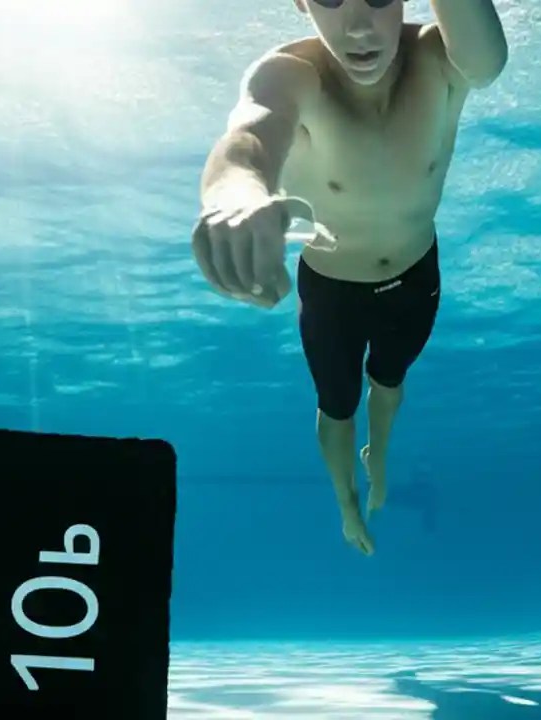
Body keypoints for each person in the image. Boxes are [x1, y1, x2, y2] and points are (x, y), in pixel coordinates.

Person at [192, 0, 507, 556]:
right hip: (332, 291)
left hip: (415, 277)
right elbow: (248, 141)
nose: (359, 26)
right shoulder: (291, 75)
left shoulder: (444, 61)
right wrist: (233, 195)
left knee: (388, 384)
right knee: (337, 406)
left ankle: (378, 456)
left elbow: (488, 61)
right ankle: (346, 503)